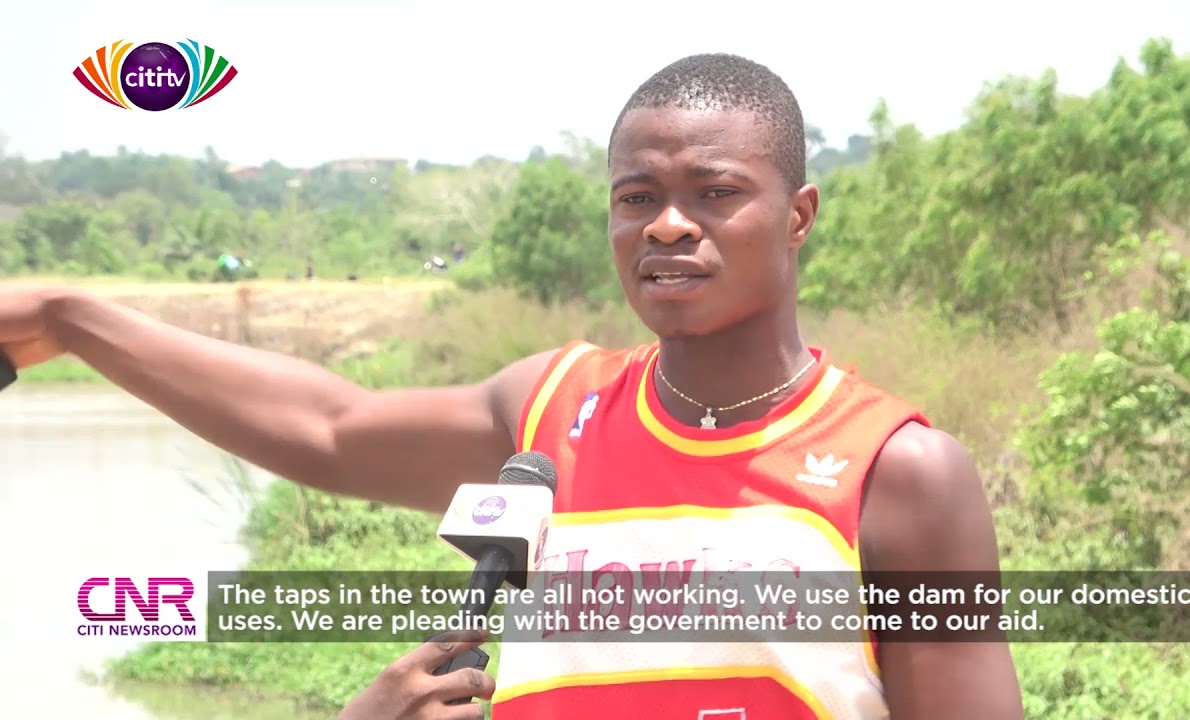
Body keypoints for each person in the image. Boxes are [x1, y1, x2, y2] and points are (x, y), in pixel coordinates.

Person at [0, 53, 1022, 719]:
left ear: (796, 216)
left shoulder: (897, 473)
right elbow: (326, 424)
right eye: (637, 198)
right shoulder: (547, 412)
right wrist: (73, 322)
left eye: (713, 193)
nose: (667, 225)